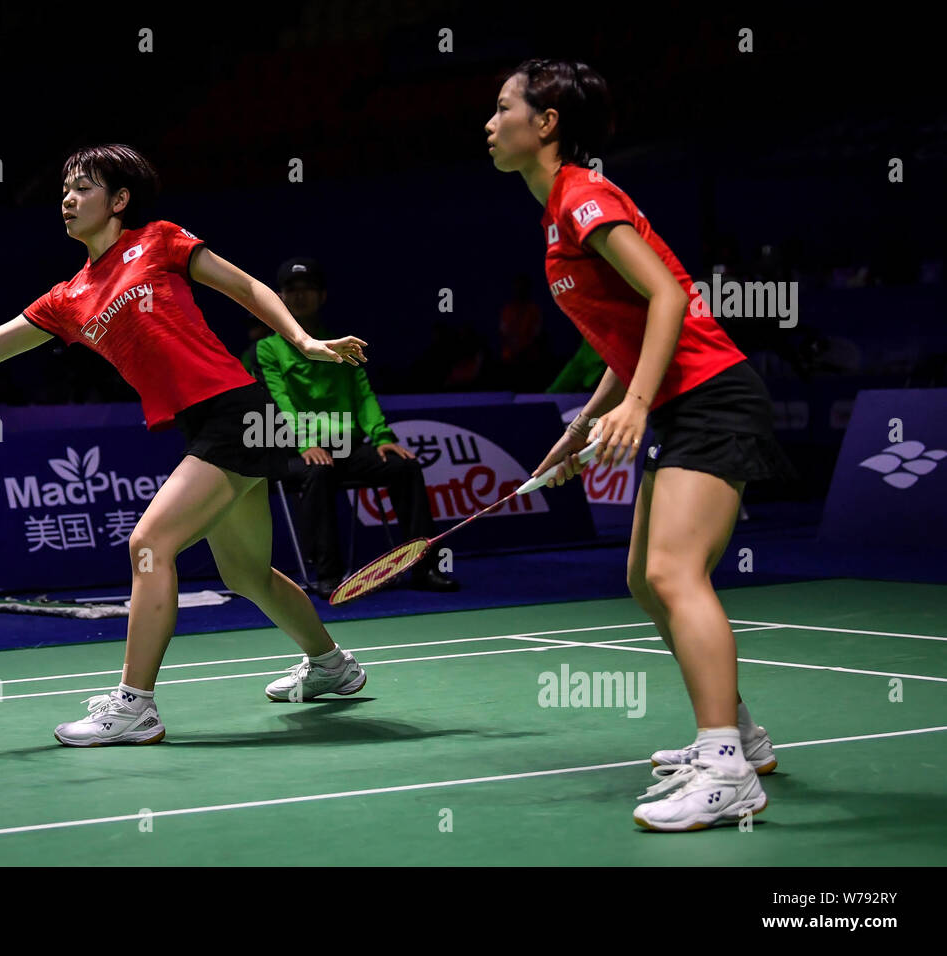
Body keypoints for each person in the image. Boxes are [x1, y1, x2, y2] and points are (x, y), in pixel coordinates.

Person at [0, 144, 372, 745]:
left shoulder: (158, 240)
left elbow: (248, 287)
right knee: (247, 573)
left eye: (83, 188)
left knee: (150, 544)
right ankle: (332, 665)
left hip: (235, 412)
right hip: (202, 425)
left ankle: (135, 706)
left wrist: (302, 340)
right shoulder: (69, 296)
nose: (68, 199)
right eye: (64, 191)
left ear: (119, 200)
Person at [485, 60, 794, 831]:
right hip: (680, 401)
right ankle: (740, 737)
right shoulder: (557, 208)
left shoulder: (584, 197)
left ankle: (727, 771)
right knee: (645, 579)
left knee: (672, 569)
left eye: (502, 108)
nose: (489, 124)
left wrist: (640, 403)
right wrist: (586, 422)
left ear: (546, 122)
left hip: (712, 396)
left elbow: (666, 295)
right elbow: (625, 334)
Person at [255, 257, 460, 599]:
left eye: (308, 289)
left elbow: (363, 394)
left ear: (322, 296)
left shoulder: (343, 342)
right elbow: (279, 402)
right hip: (296, 449)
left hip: (347, 446)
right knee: (317, 474)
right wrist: (305, 443)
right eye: (291, 290)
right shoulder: (269, 348)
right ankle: (330, 577)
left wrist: (382, 437)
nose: (300, 296)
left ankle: (426, 568)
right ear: (280, 297)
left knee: (404, 466)